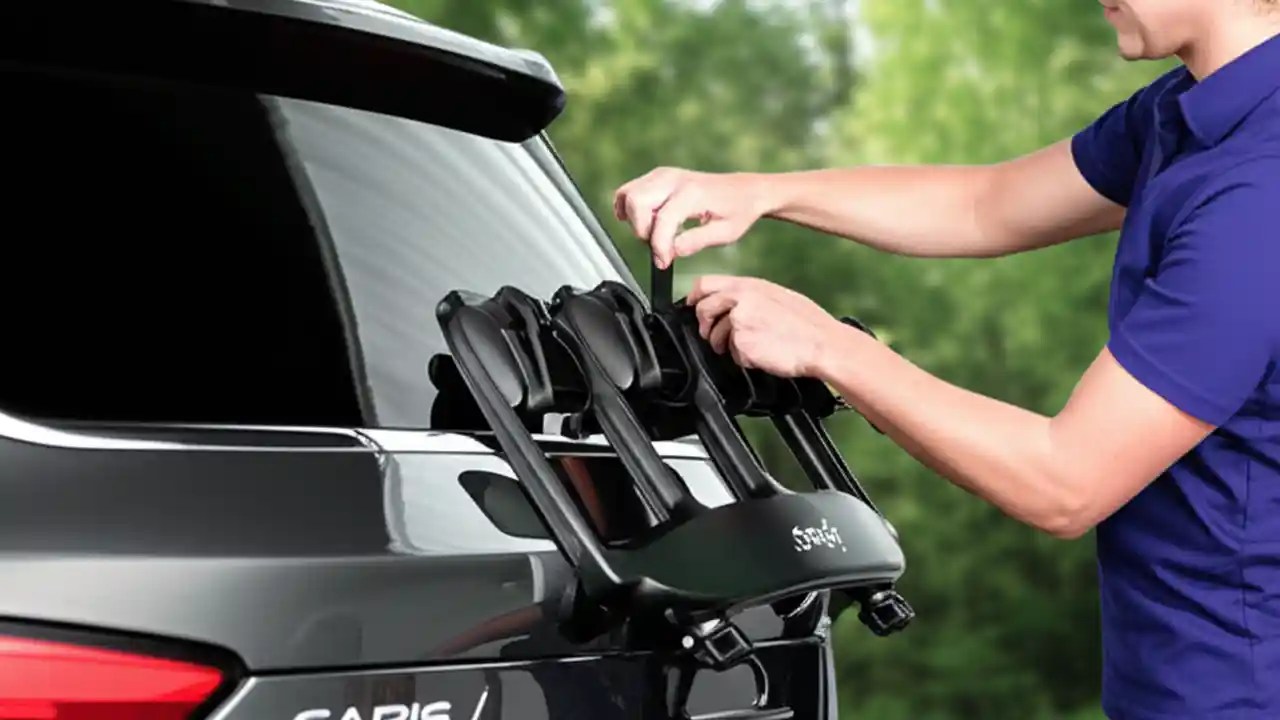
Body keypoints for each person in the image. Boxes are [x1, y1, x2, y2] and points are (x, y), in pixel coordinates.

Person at [612, 1, 1280, 718]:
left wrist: (829, 346)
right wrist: (763, 192)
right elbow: (987, 204)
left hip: (1236, 686)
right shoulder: (1190, 111)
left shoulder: (1258, 192)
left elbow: (1068, 480)